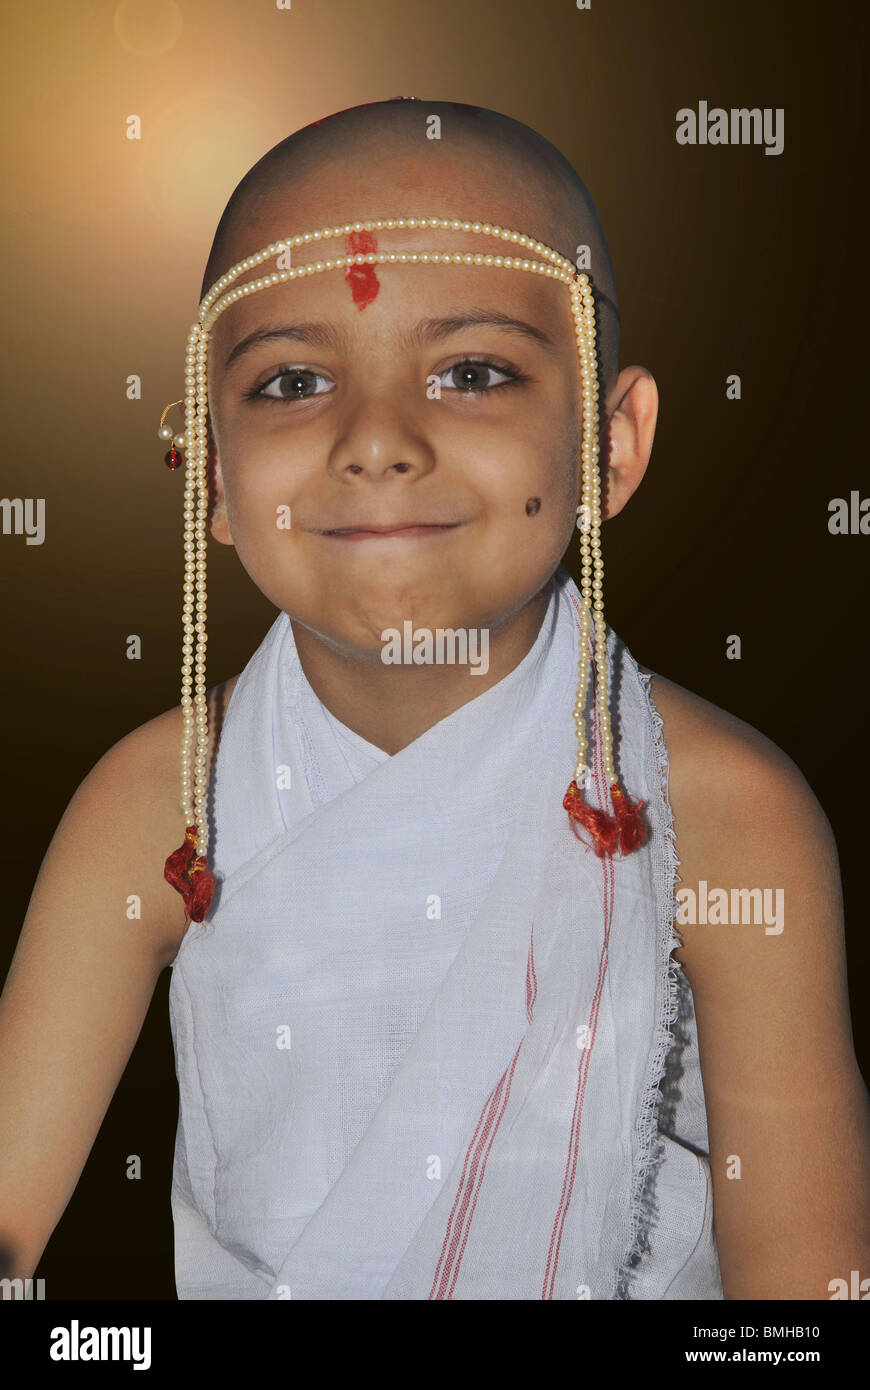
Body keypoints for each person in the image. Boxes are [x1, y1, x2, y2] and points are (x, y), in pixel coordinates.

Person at [1, 98, 868, 1301]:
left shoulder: (725, 812)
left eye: (473, 371)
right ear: (210, 471)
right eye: (294, 379)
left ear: (611, 448)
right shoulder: (163, 805)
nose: (376, 440)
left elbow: (809, 1291)